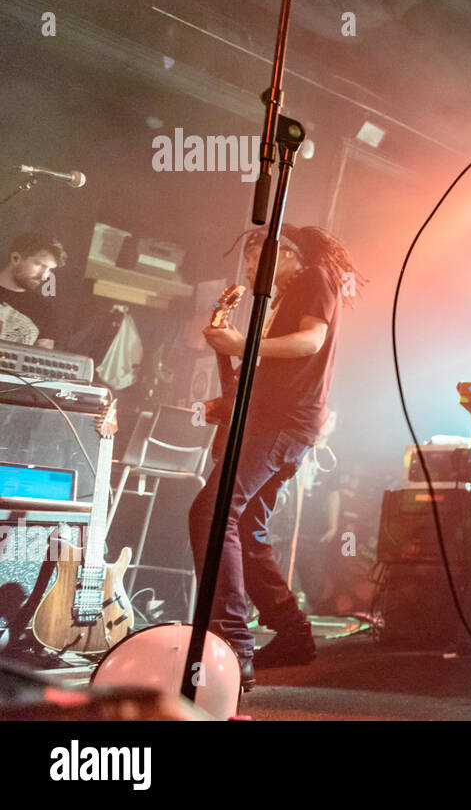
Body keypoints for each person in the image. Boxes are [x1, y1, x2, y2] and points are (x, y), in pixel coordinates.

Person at [188, 224, 361, 690]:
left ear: (286, 252)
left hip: (282, 424)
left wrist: (239, 343)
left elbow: (310, 342)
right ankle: (293, 633)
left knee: (211, 513)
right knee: (244, 526)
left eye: (253, 255)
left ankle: (232, 642)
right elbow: (275, 369)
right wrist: (227, 401)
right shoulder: (288, 297)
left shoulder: (314, 277)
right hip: (283, 421)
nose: (246, 267)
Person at [0, 232, 66, 348]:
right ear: (16, 258)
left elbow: (42, 360)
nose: (45, 276)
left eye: (50, 269)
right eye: (39, 265)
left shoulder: (44, 310)